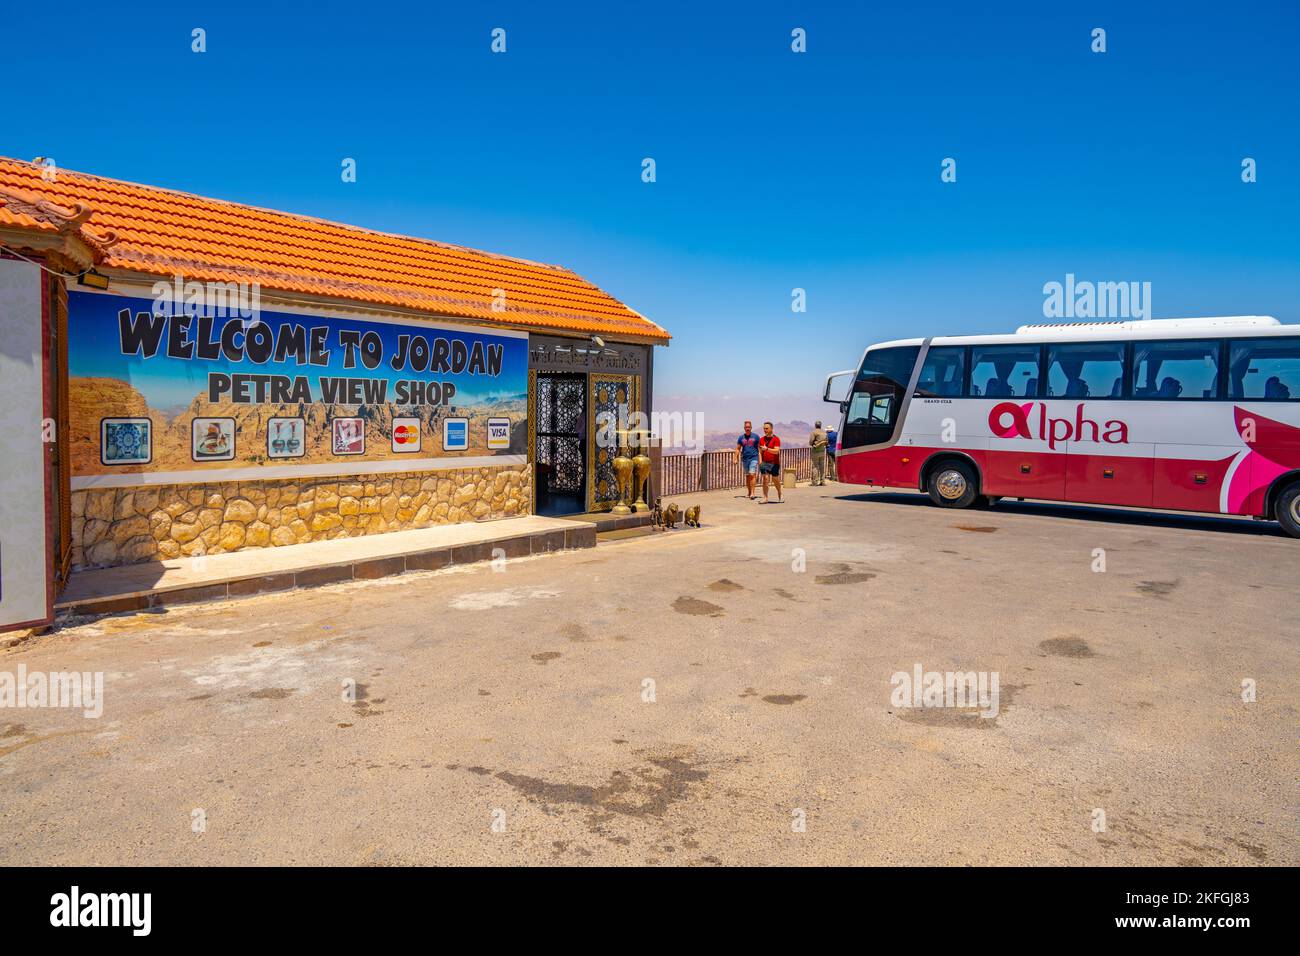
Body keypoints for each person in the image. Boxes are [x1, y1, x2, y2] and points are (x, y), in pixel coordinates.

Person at [734, 421, 761, 499]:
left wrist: (760, 459)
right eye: (746, 427)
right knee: (748, 476)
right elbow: (738, 449)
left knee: (752, 474)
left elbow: (759, 448)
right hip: (745, 459)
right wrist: (735, 458)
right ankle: (749, 492)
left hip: (754, 457)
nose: (747, 428)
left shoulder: (756, 437)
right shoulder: (741, 438)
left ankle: (752, 493)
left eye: (749, 427)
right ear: (744, 428)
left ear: (751, 428)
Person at [758, 421, 782, 503]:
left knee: (775, 480)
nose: (765, 430)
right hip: (765, 463)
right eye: (764, 428)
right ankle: (765, 498)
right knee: (765, 479)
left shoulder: (776, 439)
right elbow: (760, 452)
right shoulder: (761, 440)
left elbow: (776, 451)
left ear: (771, 429)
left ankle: (780, 494)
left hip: (774, 463)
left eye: (767, 428)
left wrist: (767, 449)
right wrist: (760, 462)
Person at [808, 420, 828, 486]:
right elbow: (826, 441)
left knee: (815, 467)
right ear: (820, 425)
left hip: (815, 451)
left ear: (815, 425)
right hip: (822, 451)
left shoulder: (814, 432)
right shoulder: (824, 432)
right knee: (822, 467)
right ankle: (822, 481)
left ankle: (814, 482)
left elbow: (810, 442)